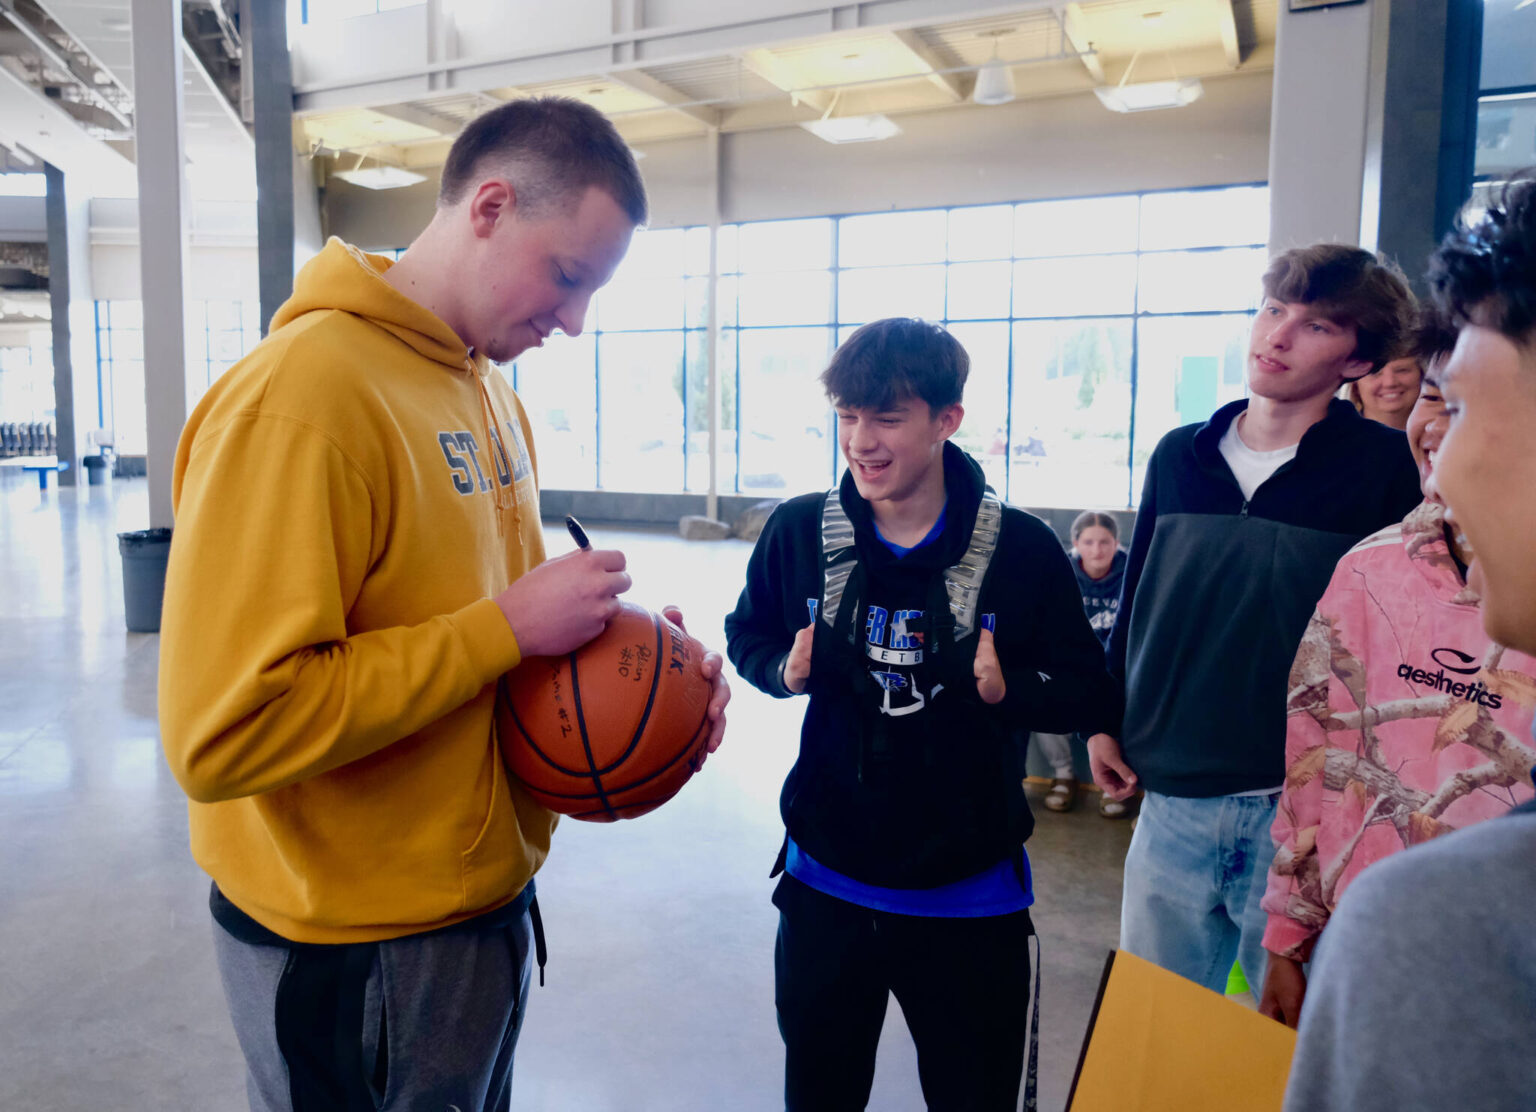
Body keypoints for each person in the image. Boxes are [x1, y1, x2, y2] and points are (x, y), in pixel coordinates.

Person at [157, 97, 729, 1111]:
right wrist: (505, 628)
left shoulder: (487, 388)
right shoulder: (303, 403)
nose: (574, 320)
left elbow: (477, 641)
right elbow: (222, 731)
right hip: (348, 948)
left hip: (474, 911)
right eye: (568, 275)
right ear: (491, 206)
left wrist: (631, 669)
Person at [725, 318, 1117, 1111]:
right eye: (846, 417)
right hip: (825, 883)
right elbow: (747, 635)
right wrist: (782, 669)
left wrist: (1012, 692)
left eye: (887, 418)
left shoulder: (1025, 549)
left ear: (947, 420)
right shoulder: (800, 530)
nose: (860, 442)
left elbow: (1088, 690)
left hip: (969, 897)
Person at [1086, 244, 1423, 995]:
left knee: (1273, 1043)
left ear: (1357, 362)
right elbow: (1138, 602)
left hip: (1299, 809)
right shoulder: (1181, 455)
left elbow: (1396, 638)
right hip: (1170, 791)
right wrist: (1103, 717)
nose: (1276, 334)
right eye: (1274, 310)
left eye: (1316, 325)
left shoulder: (1384, 469)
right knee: (1151, 1023)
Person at [1283, 174, 1536, 1112]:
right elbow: (1319, 741)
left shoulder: (1446, 929)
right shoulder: (1371, 568)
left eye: (1463, 407)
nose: (1435, 453)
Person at [1034, 510, 1130, 817]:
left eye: (1105, 542)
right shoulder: (1060, 572)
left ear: (1117, 543)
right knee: (1045, 694)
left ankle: (1112, 782)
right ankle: (1064, 776)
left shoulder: (1133, 573)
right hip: (1074, 663)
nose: (1097, 550)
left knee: (1125, 699)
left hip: (1118, 666)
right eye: (1088, 542)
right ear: (1076, 543)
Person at [1346, 352, 1422, 430]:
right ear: (1355, 383)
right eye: (1375, 373)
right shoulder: (1336, 438)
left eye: (1402, 370)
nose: (1390, 383)